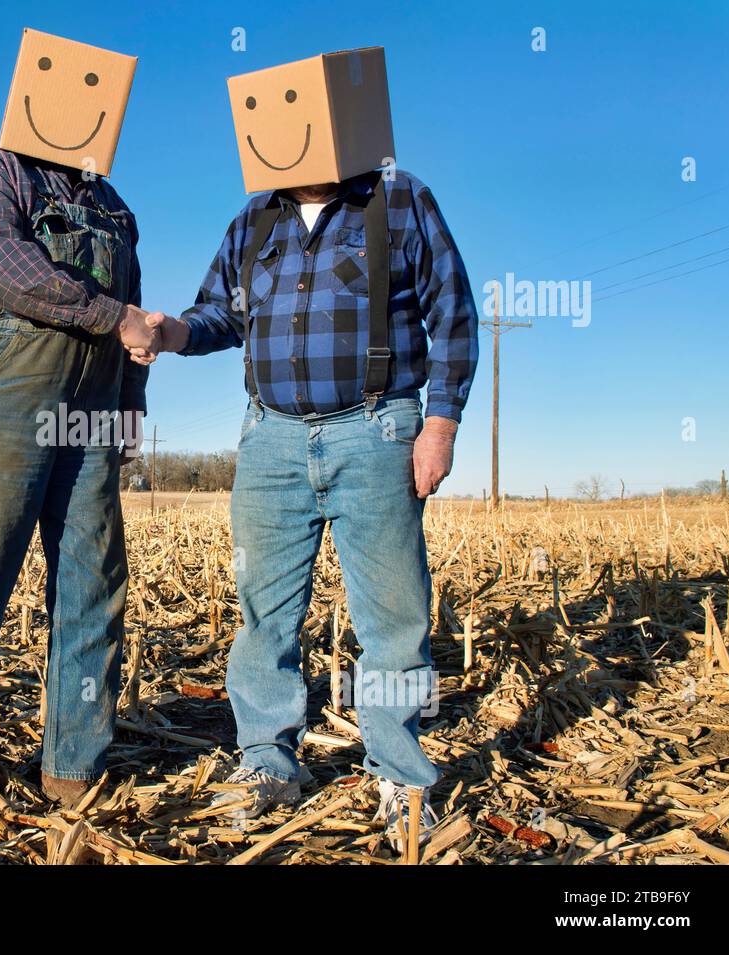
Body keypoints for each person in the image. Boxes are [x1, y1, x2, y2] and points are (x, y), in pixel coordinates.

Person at [128, 169, 478, 851]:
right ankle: (267, 764)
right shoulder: (257, 218)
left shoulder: (398, 200)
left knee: (394, 617)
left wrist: (440, 426)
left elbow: (453, 313)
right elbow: (221, 314)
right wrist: (168, 332)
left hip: (376, 431)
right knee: (264, 615)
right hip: (271, 441)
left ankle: (399, 779)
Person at [0, 140, 162, 839]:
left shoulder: (112, 203)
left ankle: (72, 773)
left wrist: (131, 403)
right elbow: (3, 267)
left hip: (94, 402)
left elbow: (135, 314)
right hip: (6, 395)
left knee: (91, 585)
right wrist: (111, 316)